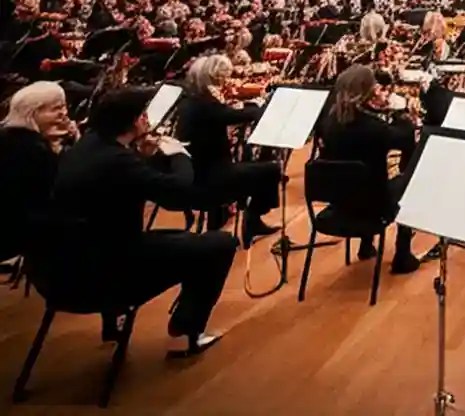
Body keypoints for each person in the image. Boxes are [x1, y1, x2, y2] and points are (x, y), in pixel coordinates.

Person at [53, 87, 236, 356]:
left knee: (184, 240)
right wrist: (178, 155)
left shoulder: (89, 145)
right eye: (143, 116)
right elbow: (178, 195)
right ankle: (188, 325)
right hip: (109, 269)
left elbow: (124, 180)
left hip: (65, 263)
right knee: (221, 244)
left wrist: (143, 156)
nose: (147, 121)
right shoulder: (118, 160)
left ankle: (113, 324)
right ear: (132, 122)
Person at [315, 65, 421, 274]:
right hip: (374, 208)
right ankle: (403, 255)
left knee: (359, 178)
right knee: (409, 182)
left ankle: (366, 246)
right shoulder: (373, 128)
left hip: (338, 204)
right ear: (367, 92)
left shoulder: (328, 123)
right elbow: (405, 138)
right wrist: (406, 116)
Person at [173, 55, 280, 247]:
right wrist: (262, 107)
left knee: (252, 167)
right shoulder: (205, 105)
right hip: (211, 177)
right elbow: (231, 115)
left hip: (197, 172)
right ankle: (253, 218)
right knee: (271, 170)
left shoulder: (190, 100)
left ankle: (234, 219)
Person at [0, 82, 77, 263]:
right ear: (32, 113)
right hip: (12, 232)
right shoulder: (32, 149)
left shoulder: (9, 134)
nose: (64, 114)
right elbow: (63, 186)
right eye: (55, 109)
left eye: (64, 106)